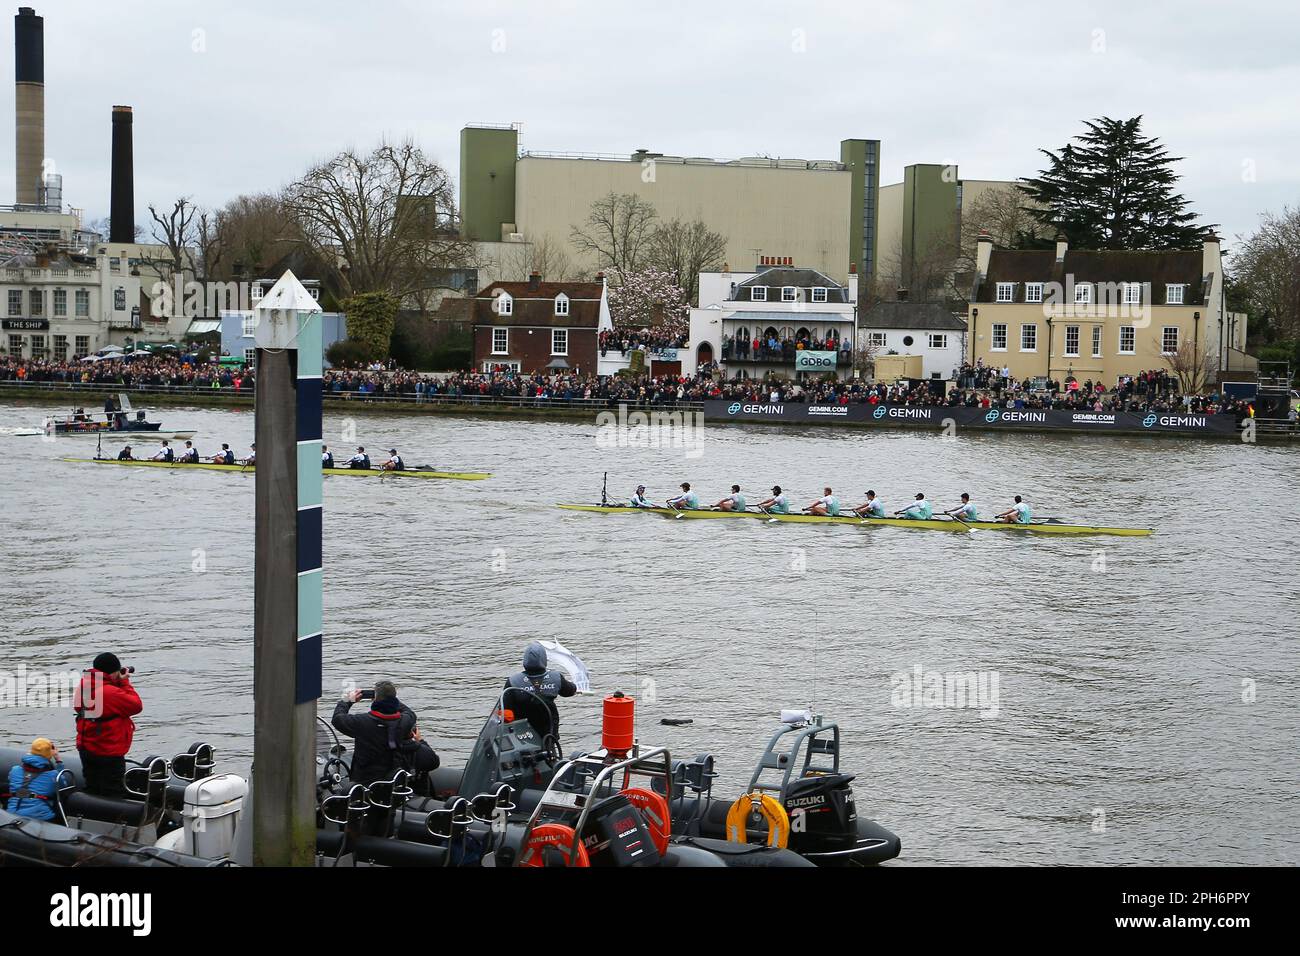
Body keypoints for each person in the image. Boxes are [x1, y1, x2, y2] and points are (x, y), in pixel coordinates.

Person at [331, 680, 439, 786]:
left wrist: (347, 700)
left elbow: (337, 719)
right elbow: (409, 713)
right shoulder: (406, 722)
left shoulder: (362, 723)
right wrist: (389, 698)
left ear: (376, 700)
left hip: (365, 787)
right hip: (395, 786)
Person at [73, 653, 143, 798]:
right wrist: (124, 683)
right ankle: (112, 818)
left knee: (92, 786)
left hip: (87, 747)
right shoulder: (110, 692)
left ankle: (88, 813)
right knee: (113, 792)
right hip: (108, 750)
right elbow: (136, 706)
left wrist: (114, 682)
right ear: (113, 672)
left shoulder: (85, 685)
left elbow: (79, 708)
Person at [504, 642, 577, 741]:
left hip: (523, 736)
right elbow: (570, 691)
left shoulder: (513, 682)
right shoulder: (556, 678)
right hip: (549, 733)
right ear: (544, 659)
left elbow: (505, 711)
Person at [5, 738, 63, 821]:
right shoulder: (53, 776)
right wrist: (58, 761)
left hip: (12, 814)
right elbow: (63, 784)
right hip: (39, 817)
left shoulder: (15, 770)